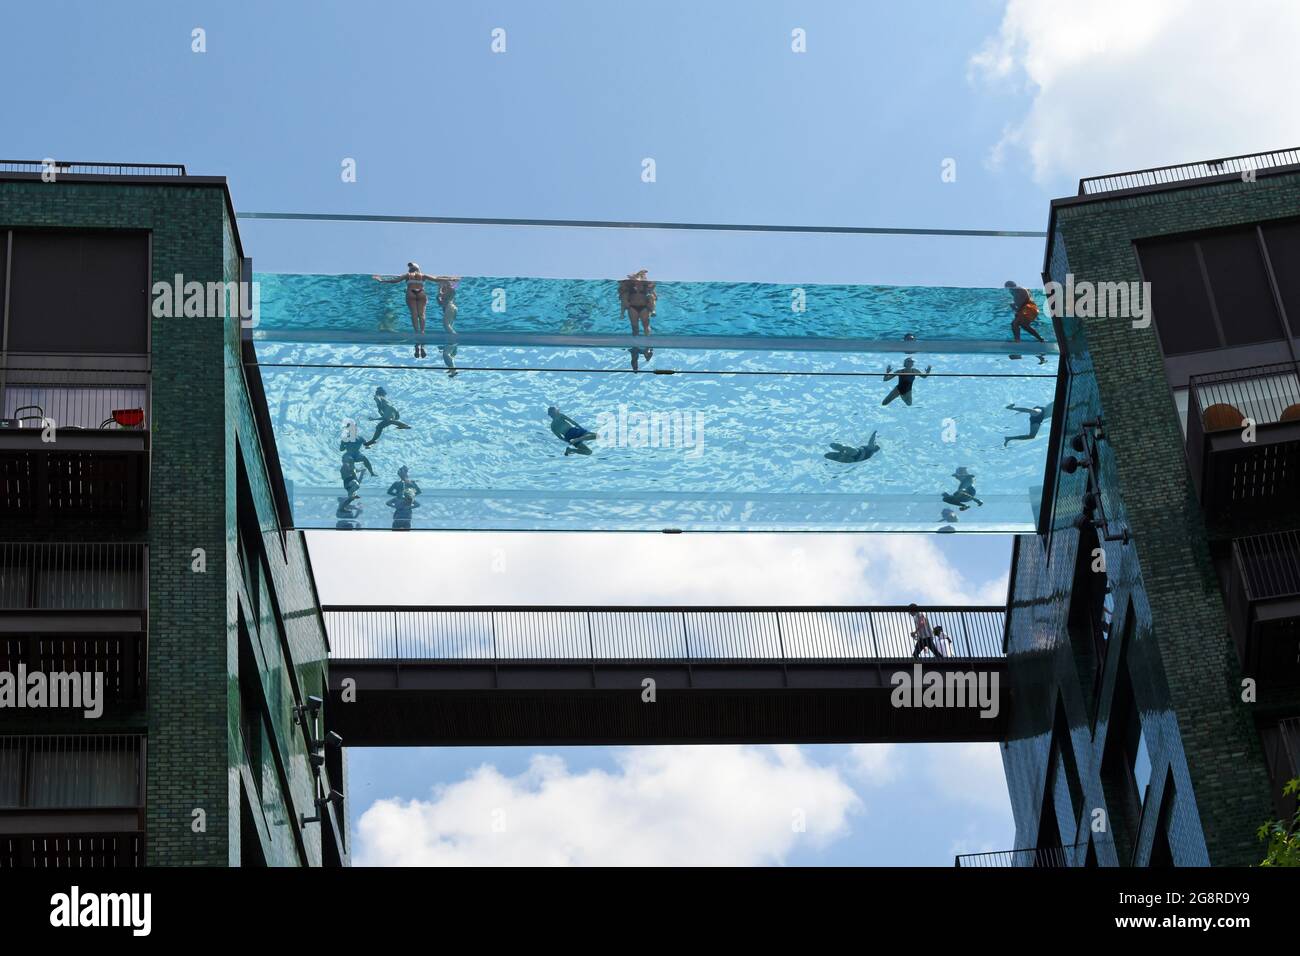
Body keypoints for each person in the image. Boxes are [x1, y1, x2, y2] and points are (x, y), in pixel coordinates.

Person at [372, 262, 458, 354]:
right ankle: (422, 332)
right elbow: (436, 279)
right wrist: (451, 278)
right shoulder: (422, 275)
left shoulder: (407, 275)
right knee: (422, 314)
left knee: (414, 313)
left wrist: (381, 280)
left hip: (410, 292)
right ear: (418, 269)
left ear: (410, 269)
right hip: (421, 292)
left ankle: (417, 333)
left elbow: (395, 280)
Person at [618, 269, 657, 335]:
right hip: (632, 307)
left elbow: (655, 296)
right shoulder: (629, 285)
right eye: (634, 279)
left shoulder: (646, 285)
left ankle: (648, 343)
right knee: (634, 326)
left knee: (646, 326)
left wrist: (652, 293)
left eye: (637, 279)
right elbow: (622, 293)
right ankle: (635, 344)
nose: (636, 281)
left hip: (644, 307)